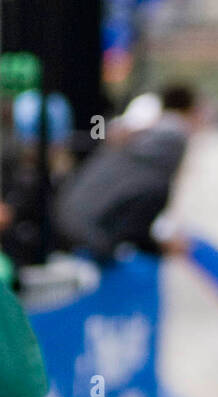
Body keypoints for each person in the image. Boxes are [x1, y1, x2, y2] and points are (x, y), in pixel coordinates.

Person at [53, 84, 201, 263]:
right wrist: (160, 246)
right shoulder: (167, 151)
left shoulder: (135, 145)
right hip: (90, 242)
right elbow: (135, 227)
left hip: (70, 225)